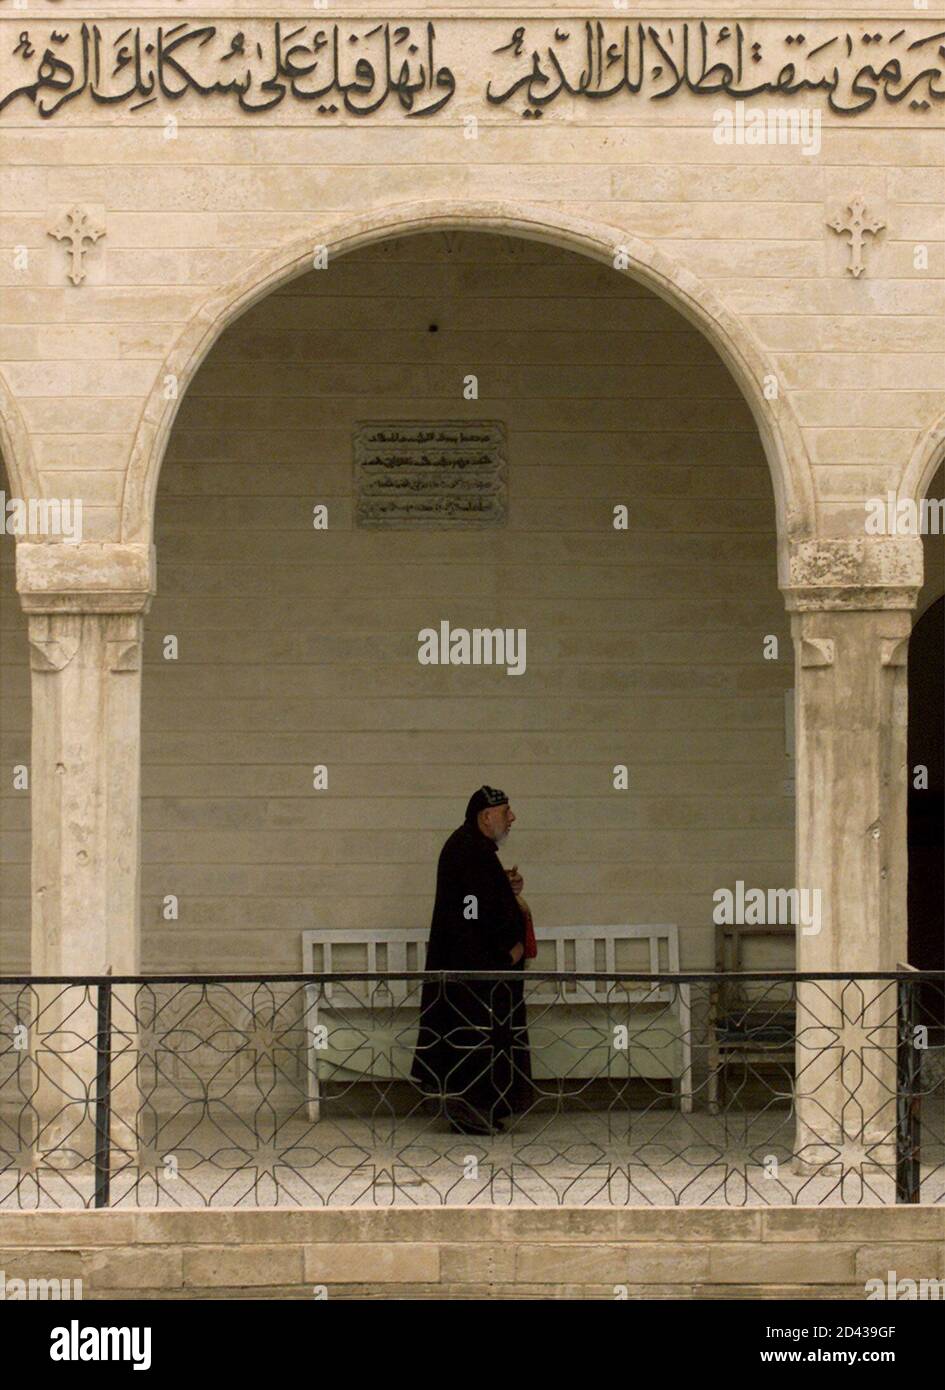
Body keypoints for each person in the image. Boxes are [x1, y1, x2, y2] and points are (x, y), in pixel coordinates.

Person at [410, 786, 534, 1135]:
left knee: (483, 1040)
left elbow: (479, 901)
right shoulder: (467, 851)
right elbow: (468, 916)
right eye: (507, 812)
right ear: (486, 816)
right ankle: (471, 1110)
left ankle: (485, 1109)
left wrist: (504, 887)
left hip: (481, 973)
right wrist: (502, 955)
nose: (512, 818)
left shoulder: (474, 849)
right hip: (474, 975)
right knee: (472, 1040)